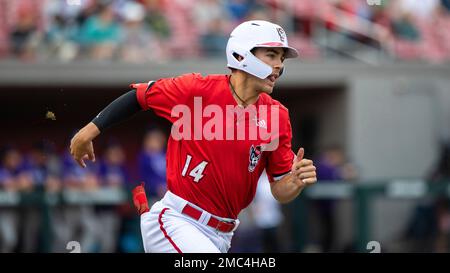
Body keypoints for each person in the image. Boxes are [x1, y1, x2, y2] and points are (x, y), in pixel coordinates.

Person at [70, 20, 317, 253]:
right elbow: (139, 97)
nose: (279, 65)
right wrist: (87, 133)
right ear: (241, 55)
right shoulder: (196, 90)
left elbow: (280, 190)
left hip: (223, 234)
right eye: (271, 55)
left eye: (281, 59)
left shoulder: (277, 115)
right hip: (177, 221)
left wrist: (294, 182)